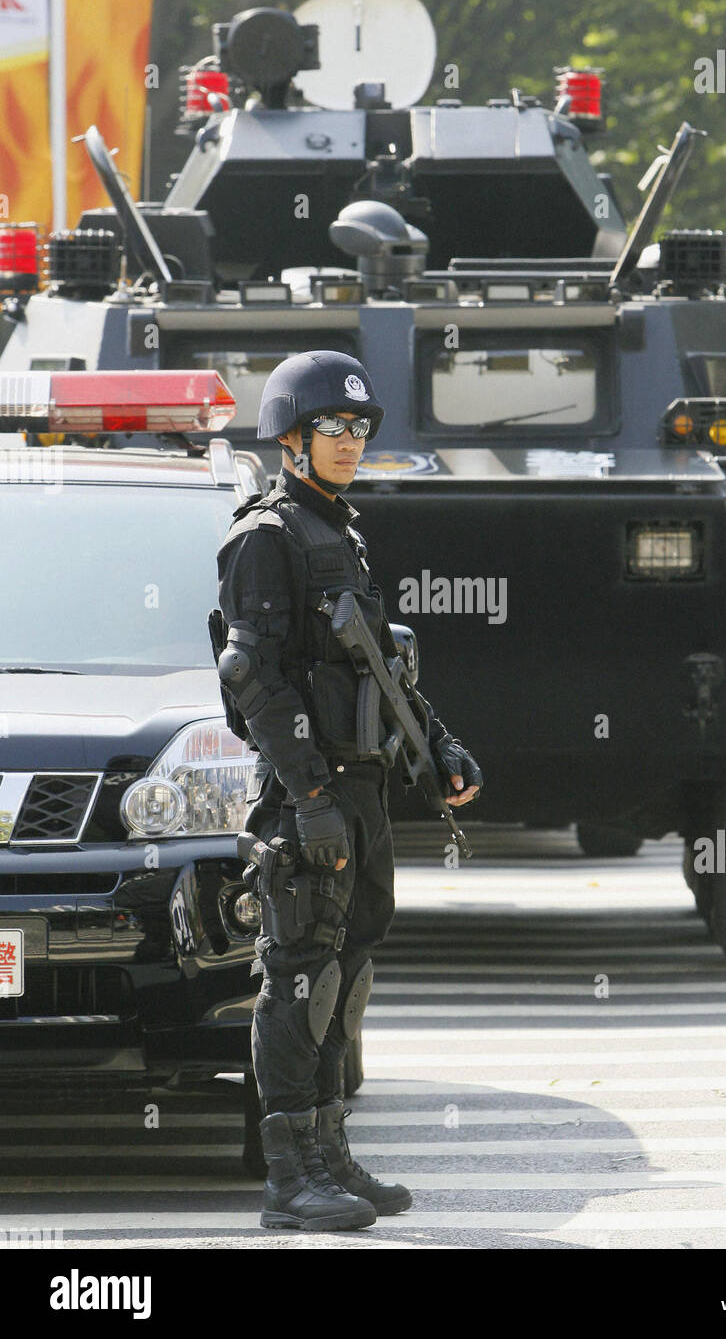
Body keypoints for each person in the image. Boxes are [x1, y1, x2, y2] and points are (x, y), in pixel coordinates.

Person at [216, 351, 482, 1230]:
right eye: (333, 427)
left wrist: (439, 746)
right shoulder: (268, 535)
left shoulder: (342, 530)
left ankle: (331, 1154)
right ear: (290, 435)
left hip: (362, 789)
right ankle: (290, 1178)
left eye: (360, 429)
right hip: (310, 794)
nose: (350, 442)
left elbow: (378, 663)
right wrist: (310, 795)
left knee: (347, 970)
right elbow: (254, 677)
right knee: (297, 975)